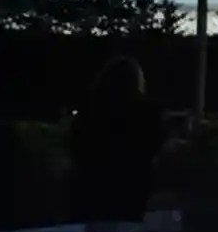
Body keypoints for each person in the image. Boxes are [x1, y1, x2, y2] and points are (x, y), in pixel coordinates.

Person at [67, 57, 166, 223]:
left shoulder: (91, 110)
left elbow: (75, 145)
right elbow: (157, 145)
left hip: (92, 187)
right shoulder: (148, 112)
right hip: (134, 185)